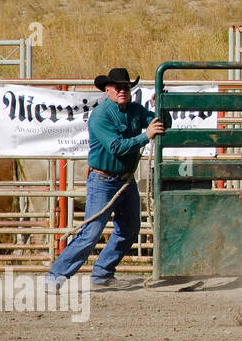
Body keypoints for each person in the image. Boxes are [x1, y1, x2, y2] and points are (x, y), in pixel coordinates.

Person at [44, 68, 167, 291]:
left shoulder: (135, 110)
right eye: (118, 87)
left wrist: (162, 104)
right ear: (108, 90)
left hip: (124, 181)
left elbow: (161, 123)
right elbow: (116, 147)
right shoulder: (101, 115)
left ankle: (102, 272)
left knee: (129, 229)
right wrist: (145, 135)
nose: (123, 90)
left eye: (126, 87)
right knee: (91, 232)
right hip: (103, 180)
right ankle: (56, 275)